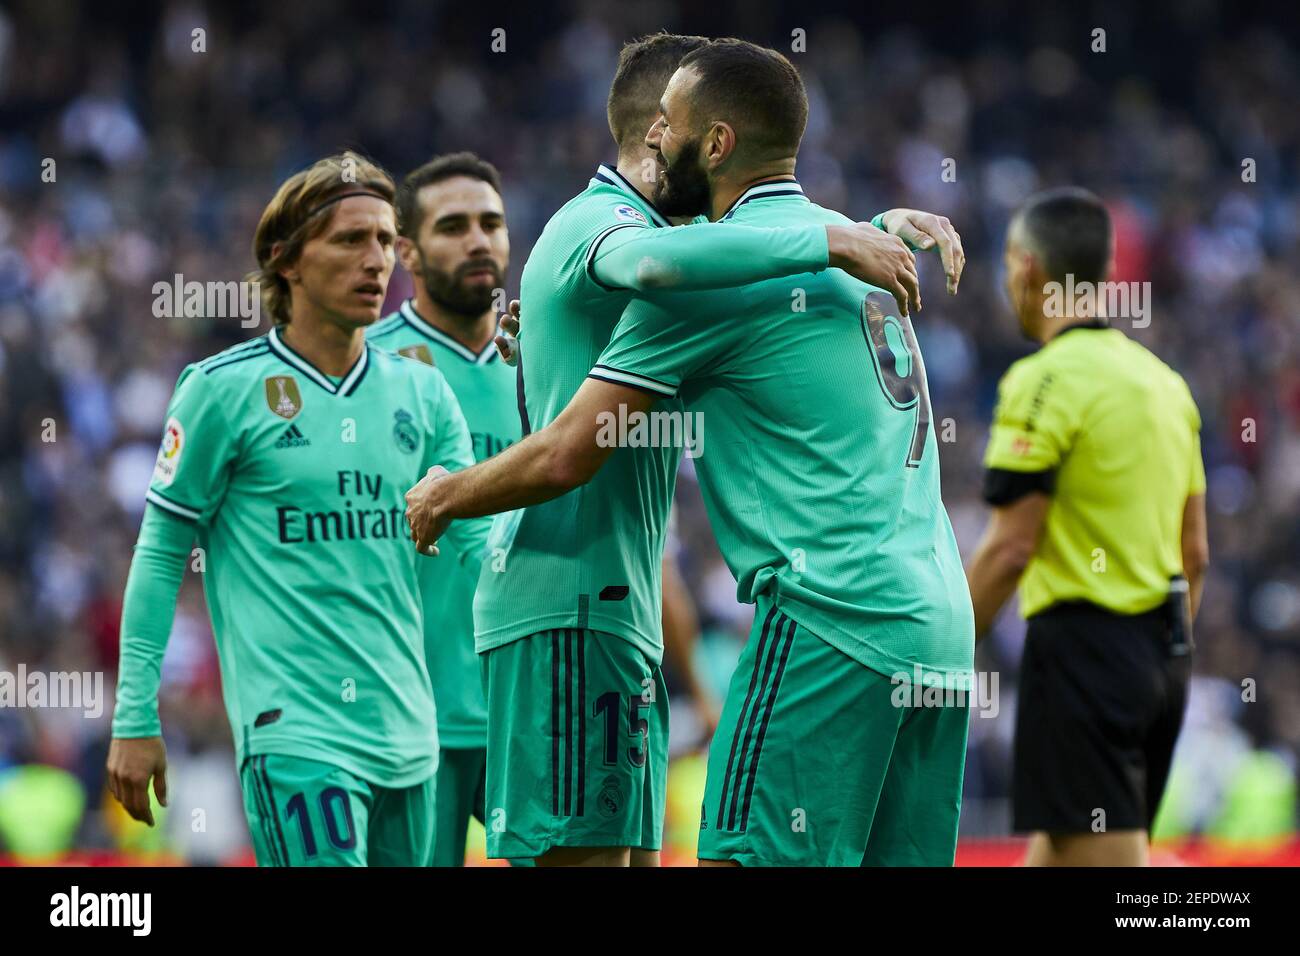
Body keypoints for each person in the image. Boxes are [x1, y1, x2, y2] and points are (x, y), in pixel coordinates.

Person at [406, 39, 974, 867]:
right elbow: (671, 269)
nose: (655, 145)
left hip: (826, 618)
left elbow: (575, 443)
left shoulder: (724, 273)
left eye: (670, 128)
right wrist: (859, 230)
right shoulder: (845, 250)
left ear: (710, 144)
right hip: (933, 630)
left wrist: (444, 494)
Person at [107, 151, 489, 866]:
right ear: (287, 261)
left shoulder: (423, 393)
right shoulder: (220, 391)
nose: (377, 260)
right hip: (296, 733)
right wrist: (134, 715)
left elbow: (479, 546)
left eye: (384, 239)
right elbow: (161, 554)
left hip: (412, 735)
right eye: (350, 240)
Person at [964, 186, 1208, 867]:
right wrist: (1163, 660)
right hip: (1160, 658)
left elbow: (1011, 547)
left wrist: (940, 651)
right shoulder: (1166, 385)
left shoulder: (1042, 380)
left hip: (1083, 653)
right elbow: (1197, 554)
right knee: (1063, 854)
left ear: (1025, 265)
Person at [368, 152, 519, 866]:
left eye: (491, 223)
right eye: (453, 226)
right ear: (407, 251)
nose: (478, 240)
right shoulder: (369, 367)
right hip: (409, 712)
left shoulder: (551, 371)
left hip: (529, 704)